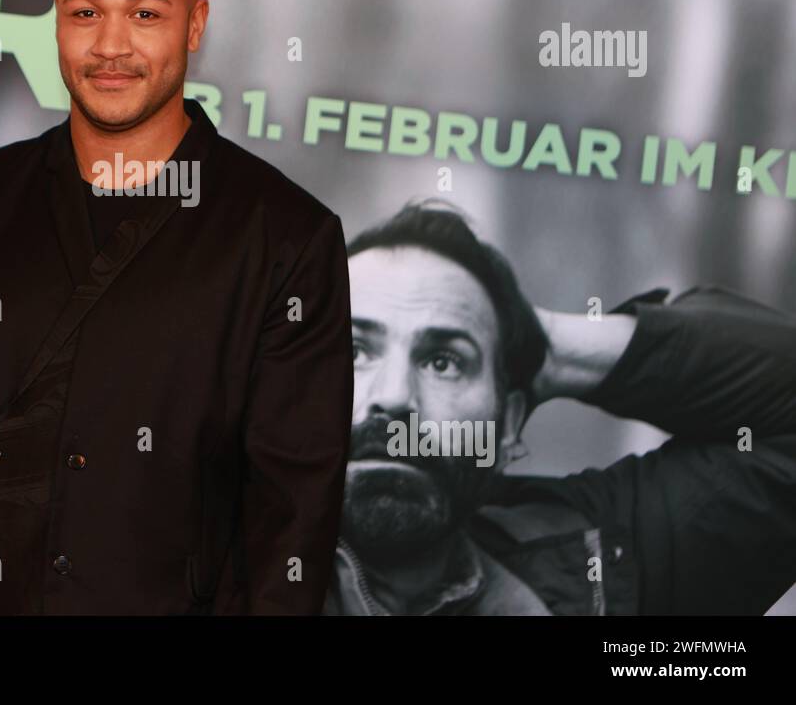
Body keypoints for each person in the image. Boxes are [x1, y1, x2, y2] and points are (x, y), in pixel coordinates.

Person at [0, 0, 354, 615]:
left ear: (195, 24)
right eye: (86, 12)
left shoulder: (288, 238)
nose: (111, 46)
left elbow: (291, 515)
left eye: (145, 13)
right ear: (58, 20)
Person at [327, 201, 796, 615]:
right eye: (352, 351)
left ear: (508, 424)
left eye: (444, 361)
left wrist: (545, 347)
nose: (392, 396)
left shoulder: (597, 569)